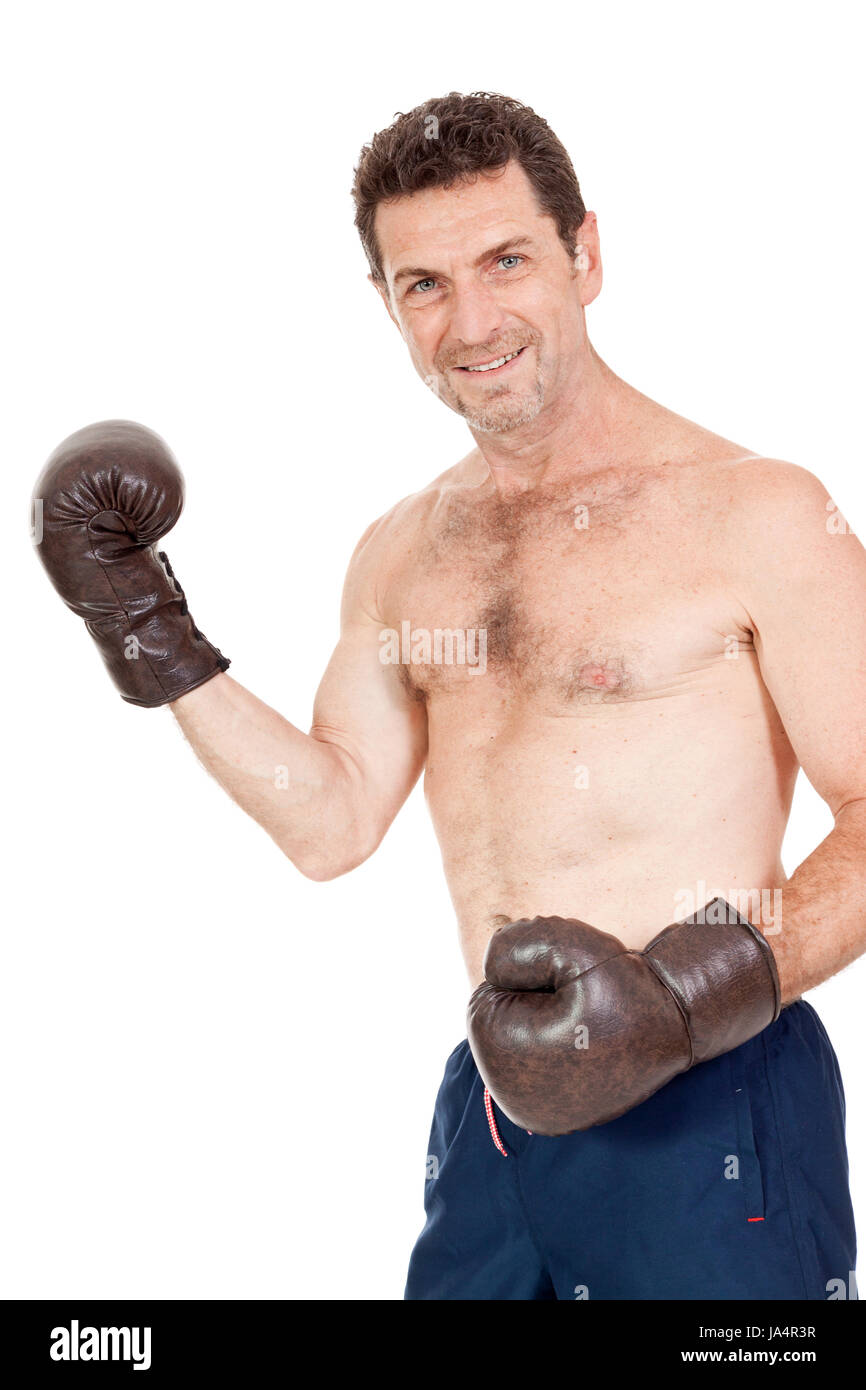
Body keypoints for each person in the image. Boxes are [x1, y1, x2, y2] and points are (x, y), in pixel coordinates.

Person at [32, 91, 862, 1300]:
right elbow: (331, 820)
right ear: (385, 303)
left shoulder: (758, 512)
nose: (471, 321)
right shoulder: (401, 551)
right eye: (423, 283)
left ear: (584, 254)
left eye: (505, 260)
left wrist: (679, 1001)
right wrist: (142, 623)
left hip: (713, 1100)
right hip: (492, 1113)